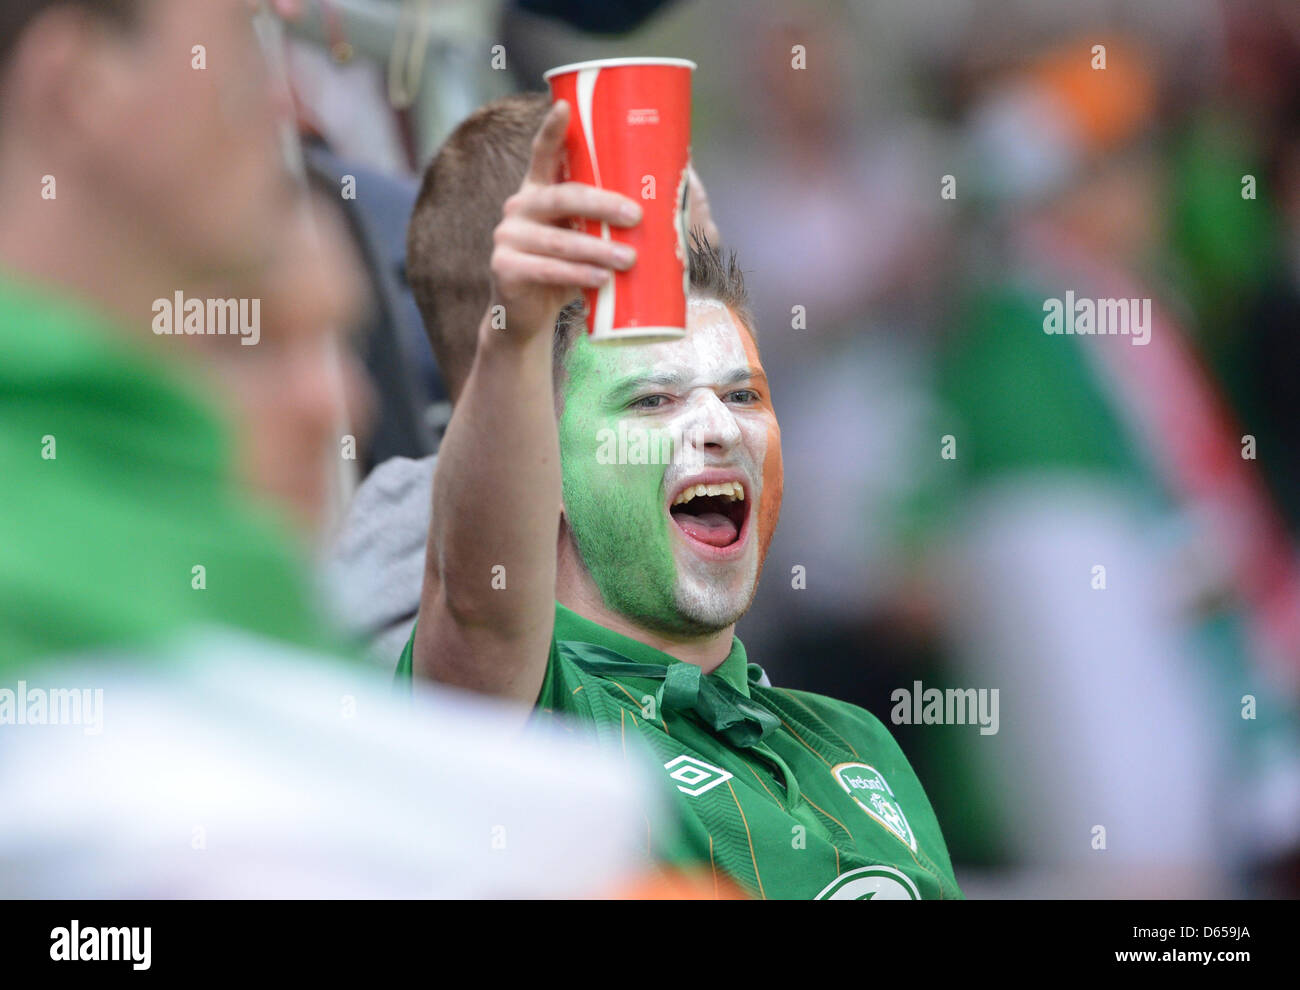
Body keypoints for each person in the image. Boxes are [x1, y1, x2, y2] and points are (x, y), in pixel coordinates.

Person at [397, 99, 962, 899]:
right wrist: (513, 335)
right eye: (652, 401)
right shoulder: (533, 720)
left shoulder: (857, 741)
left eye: (742, 394)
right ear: (545, 469)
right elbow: (476, 605)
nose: (716, 428)